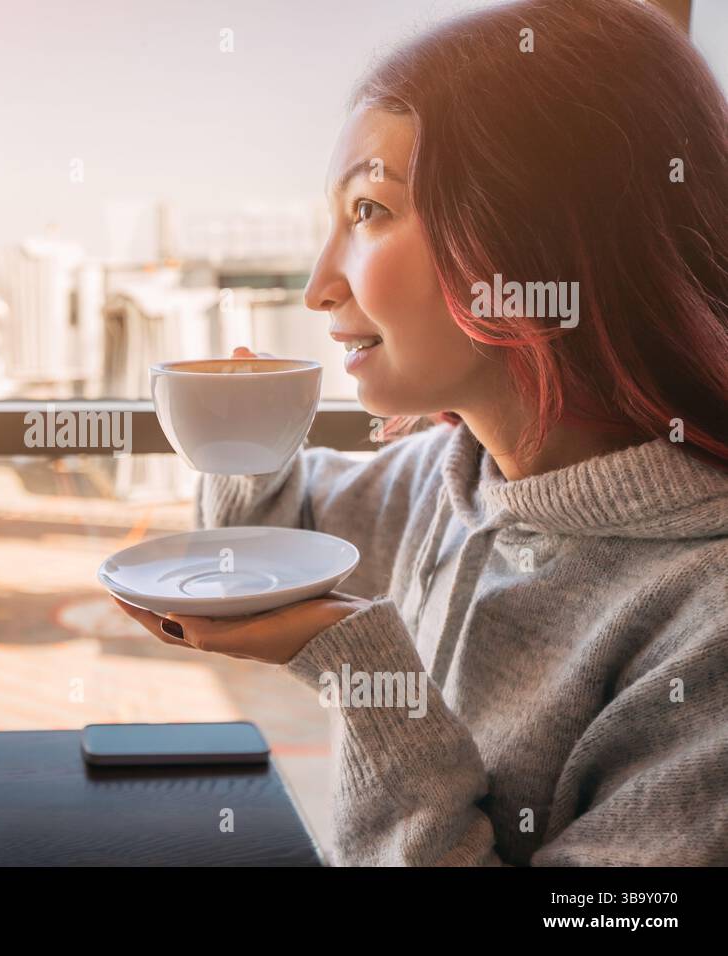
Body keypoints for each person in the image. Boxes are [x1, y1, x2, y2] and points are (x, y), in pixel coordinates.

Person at [113, 0, 728, 865]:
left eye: (369, 211)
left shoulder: (708, 624)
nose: (320, 287)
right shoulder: (455, 478)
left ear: (532, 234)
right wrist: (239, 431)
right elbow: (262, 548)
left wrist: (371, 679)